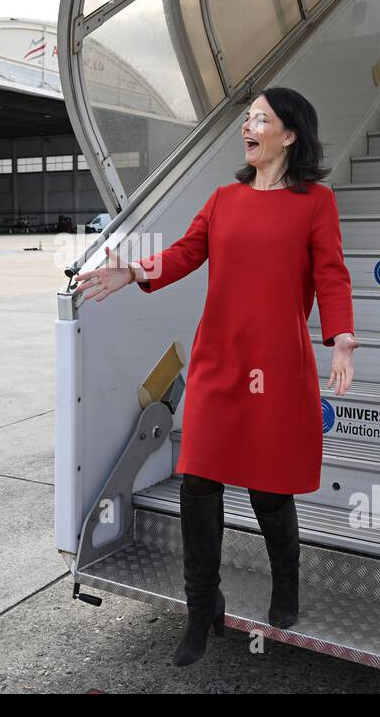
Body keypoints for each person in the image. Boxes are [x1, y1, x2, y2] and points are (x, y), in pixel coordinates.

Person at [74, 86, 358, 666]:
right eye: (247, 119)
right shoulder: (224, 198)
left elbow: (332, 274)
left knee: (269, 489)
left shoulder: (315, 202)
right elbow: (184, 252)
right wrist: (134, 272)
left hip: (275, 366)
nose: (248, 127)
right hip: (217, 362)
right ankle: (203, 606)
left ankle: (286, 583)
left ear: (290, 134)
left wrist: (342, 340)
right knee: (199, 484)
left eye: (261, 119)